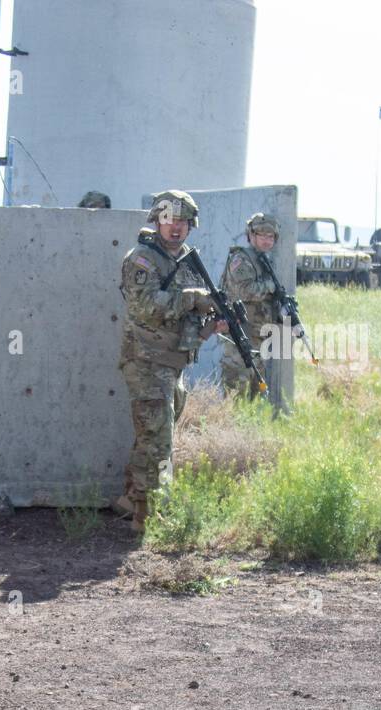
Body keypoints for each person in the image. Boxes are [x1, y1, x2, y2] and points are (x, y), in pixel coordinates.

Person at [115, 190, 225, 532]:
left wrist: (211, 327)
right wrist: (194, 299)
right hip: (146, 361)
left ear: (191, 225)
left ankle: (129, 498)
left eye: (182, 221)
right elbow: (144, 306)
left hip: (171, 364)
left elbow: (186, 320)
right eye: (168, 219)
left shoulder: (189, 260)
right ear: (157, 220)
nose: (175, 227)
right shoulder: (142, 259)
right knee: (158, 440)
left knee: (153, 434)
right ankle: (149, 517)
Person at [219, 212, 281, 397]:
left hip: (258, 336)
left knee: (255, 393)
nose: (267, 241)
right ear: (251, 235)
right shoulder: (242, 259)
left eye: (271, 237)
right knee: (237, 391)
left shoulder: (263, 261)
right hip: (240, 334)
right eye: (262, 235)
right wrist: (271, 287)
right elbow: (244, 291)